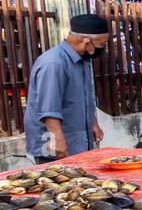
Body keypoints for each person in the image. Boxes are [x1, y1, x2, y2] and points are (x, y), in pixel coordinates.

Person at [24, 13, 108, 163]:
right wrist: (57, 138)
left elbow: (84, 97)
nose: (103, 49)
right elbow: (48, 108)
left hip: (78, 141)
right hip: (54, 144)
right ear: (86, 41)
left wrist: (93, 122)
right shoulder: (54, 63)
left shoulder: (83, 60)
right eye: (101, 45)